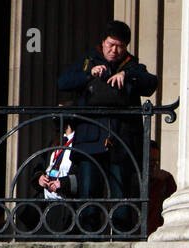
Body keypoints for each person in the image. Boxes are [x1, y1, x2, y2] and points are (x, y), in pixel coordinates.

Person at [57, 20, 158, 212]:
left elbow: (151, 83)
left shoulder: (132, 66)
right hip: (89, 142)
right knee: (88, 197)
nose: (114, 50)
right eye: (111, 44)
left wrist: (127, 76)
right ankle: (88, 239)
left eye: (120, 46)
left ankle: (122, 237)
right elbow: (63, 82)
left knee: (122, 198)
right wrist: (88, 74)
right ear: (103, 42)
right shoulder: (88, 61)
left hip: (121, 143)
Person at [147, 139, 177, 235]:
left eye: (155, 161)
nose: (153, 164)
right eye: (151, 160)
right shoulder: (133, 178)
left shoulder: (165, 178)